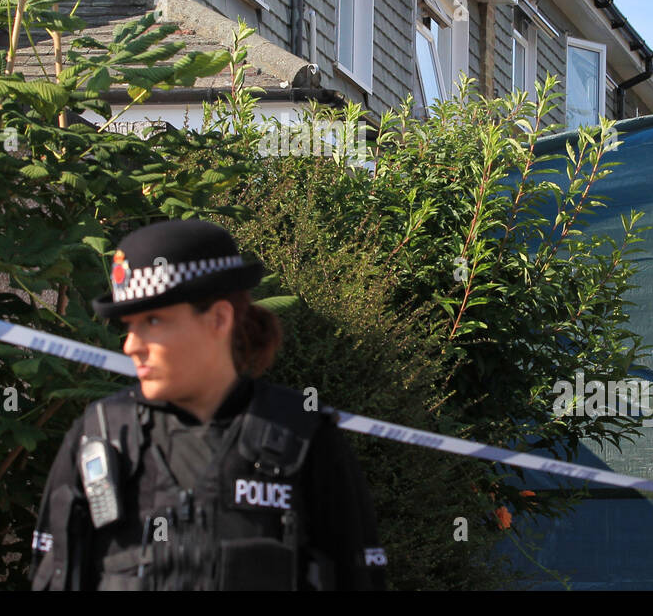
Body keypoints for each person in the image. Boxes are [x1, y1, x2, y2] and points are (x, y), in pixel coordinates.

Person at [28, 218, 387, 590]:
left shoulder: (305, 438)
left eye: (153, 320)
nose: (131, 345)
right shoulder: (98, 438)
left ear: (218, 318)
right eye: (129, 325)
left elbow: (358, 576)